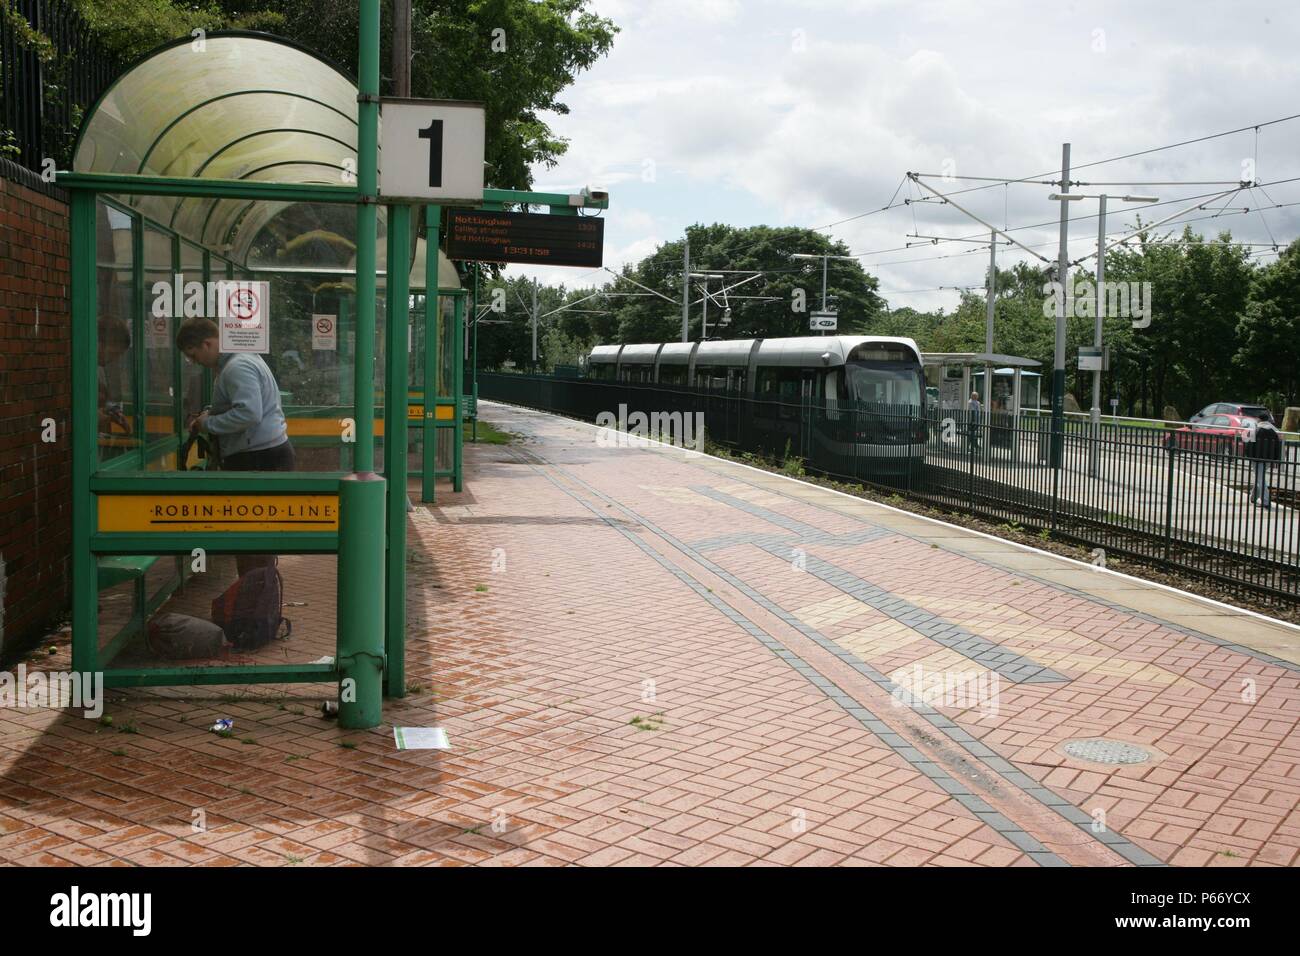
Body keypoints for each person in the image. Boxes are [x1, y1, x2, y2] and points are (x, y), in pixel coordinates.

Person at [175, 317, 294, 573]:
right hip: (264, 453)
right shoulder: (239, 360)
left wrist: (209, 424)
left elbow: (249, 413)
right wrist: (210, 414)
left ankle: (255, 604)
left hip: (258, 457)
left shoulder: (236, 367)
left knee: (253, 541)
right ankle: (257, 601)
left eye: (193, 355)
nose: (195, 362)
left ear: (207, 343)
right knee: (258, 541)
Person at [1245, 411, 1283, 510]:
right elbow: (1278, 446)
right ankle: (1253, 497)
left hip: (1256, 459)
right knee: (1259, 477)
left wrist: (1249, 456)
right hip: (1268, 459)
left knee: (1260, 479)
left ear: (1259, 419)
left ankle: (1266, 501)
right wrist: (1275, 458)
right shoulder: (1274, 431)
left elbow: (1248, 444)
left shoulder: (1255, 429)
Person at [967, 390, 982, 456]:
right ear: (972, 396)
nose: (976, 397)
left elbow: (978, 412)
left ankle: (975, 446)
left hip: (976, 421)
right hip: (971, 421)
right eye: (975, 396)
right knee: (971, 434)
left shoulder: (978, 403)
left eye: (977, 396)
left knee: (974, 434)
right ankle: (975, 446)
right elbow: (971, 412)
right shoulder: (970, 402)